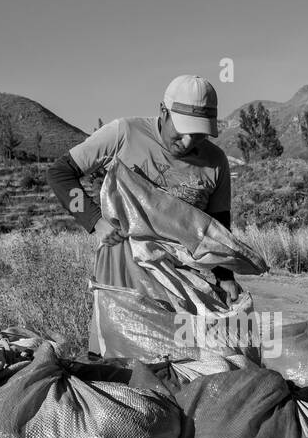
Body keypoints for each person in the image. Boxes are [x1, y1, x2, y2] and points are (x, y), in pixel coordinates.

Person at [47, 74, 240, 304]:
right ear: (163, 111)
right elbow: (60, 174)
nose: (188, 142)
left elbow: (218, 226)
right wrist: (94, 220)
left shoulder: (215, 161)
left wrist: (225, 276)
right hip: (121, 272)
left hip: (181, 280)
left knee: (181, 339)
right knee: (119, 338)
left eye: (198, 134)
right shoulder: (124, 134)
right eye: (182, 130)